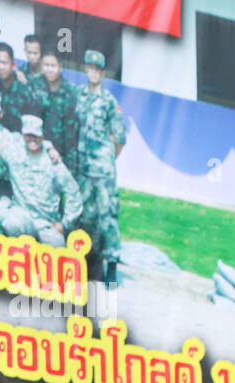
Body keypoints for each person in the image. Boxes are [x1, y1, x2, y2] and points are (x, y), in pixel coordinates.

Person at [76, 49, 126, 284]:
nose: (93, 72)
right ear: (85, 69)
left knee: (107, 217)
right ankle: (90, 262)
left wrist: (107, 160)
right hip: (83, 168)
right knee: (87, 217)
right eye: (90, 67)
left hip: (103, 168)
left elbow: (120, 138)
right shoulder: (79, 96)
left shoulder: (109, 102)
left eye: (98, 69)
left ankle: (113, 263)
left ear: (103, 73)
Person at [0, 114, 82, 247]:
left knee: (59, 254)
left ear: (42, 137)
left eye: (36, 136)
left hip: (46, 224)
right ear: (23, 135)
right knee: (10, 223)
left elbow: (73, 192)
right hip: (22, 219)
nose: (32, 139)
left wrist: (65, 224)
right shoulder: (14, 153)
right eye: (28, 135)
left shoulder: (53, 162)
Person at [31, 50, 80, 180]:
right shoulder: (33, 86)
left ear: (60, 67)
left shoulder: (70, 91)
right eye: (46, 65)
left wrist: (71, 164)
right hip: (37, 150)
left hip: (62, 151)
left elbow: (72, 131)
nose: (49, 69)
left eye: (53, 66)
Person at [0, 43, 34, 133]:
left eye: (4, 63)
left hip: (16, 137)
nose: (1, 67)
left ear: (13, 65)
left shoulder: (23, 85)